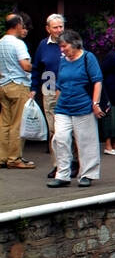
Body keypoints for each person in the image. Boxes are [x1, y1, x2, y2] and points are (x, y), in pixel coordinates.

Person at [47, 30, 102, 187]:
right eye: (60, 47)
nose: (62, 50)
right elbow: (59, 84)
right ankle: (63, 175)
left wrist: (95, 103)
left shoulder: (87, 58)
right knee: (60, 139)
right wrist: (56, 104)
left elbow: (97, 80)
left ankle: (87, 174)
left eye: (64, 46)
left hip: (83, 106)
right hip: (63, 106)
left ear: (75, 44)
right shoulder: (64, 60)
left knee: (86, 142)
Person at [1, 13, 35, 168]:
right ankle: (14, 159)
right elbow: (25, 66)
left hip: (3, 84)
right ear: (17, 26)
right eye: (22, 24)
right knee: (18, 124)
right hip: (18, 84)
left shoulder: (1, 42)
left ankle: (2, 157)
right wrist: (37, 68)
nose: (24, 27)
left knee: (4, 124)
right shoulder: (18, 43)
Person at [29, 14, 64, 156]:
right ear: (48, 29)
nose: (59, 30)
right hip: (49, 90)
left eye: (61, 26)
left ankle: (72, 162)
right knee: (53, 129)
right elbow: (37, 68)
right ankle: (57, 165)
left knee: (67, 130)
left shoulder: (70, 42)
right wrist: (33, 88)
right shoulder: (43, 45)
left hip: (68, 91)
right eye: (55, 27)